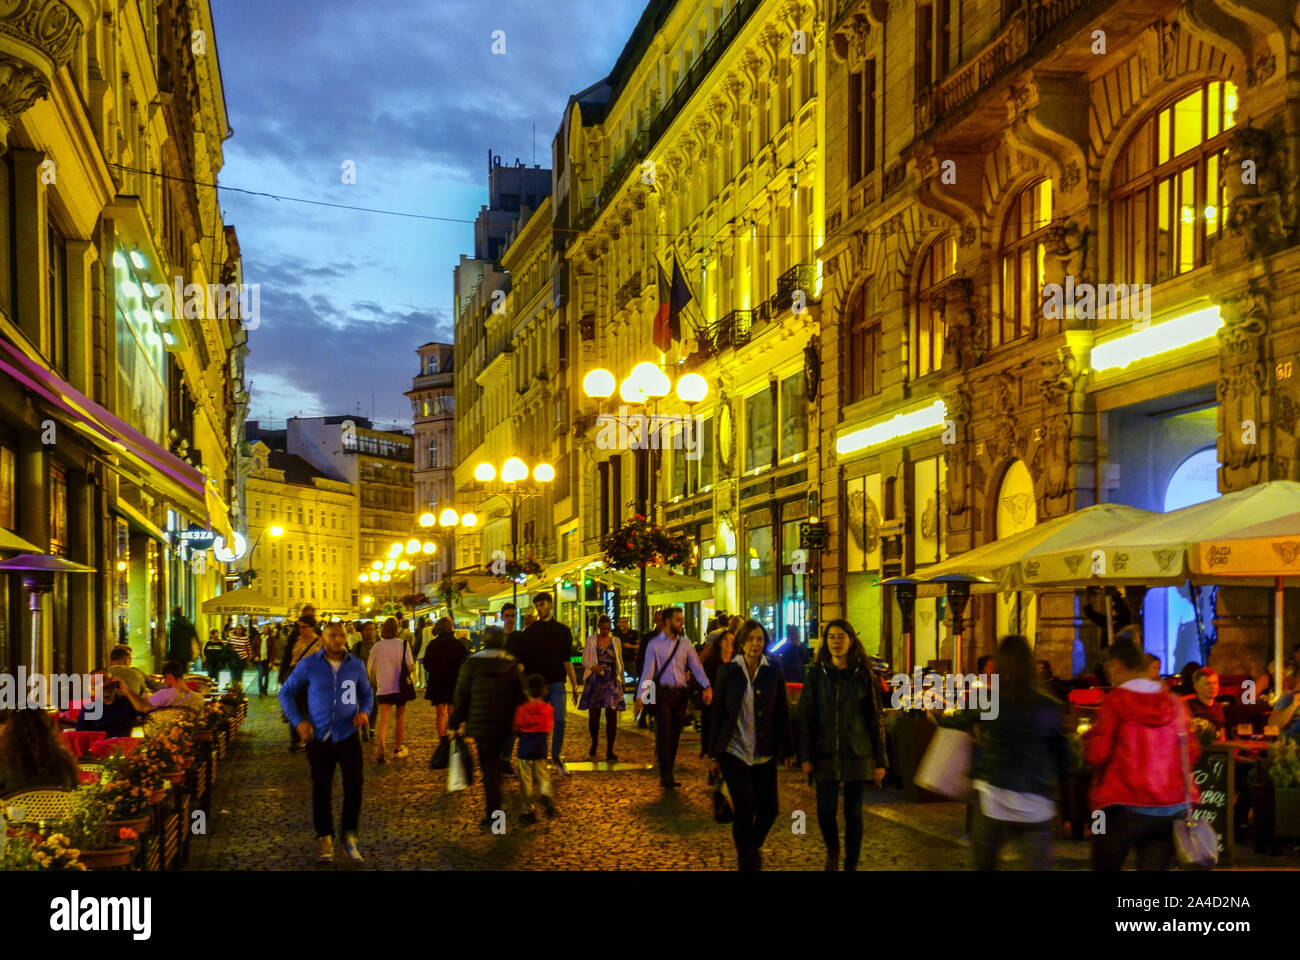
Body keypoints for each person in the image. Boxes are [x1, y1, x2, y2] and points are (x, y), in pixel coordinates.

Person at [945, 635, 1068, 872]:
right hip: (1035, 801)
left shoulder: (991, 701)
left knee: (984, 864)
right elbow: (1062, 758)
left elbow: (959, 720)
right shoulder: (1048, 706)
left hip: (993, 796)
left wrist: (938, 717)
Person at [1084, 631, 1198, 871]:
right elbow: (1192, 751)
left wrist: (1087, 739)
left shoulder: (1115, 701)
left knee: (1104, 863)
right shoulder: (1174, 702)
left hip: (1123, 806)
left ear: (1115, 665)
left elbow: (1097, 754)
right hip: (1171, 808)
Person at [798, 619, 888, 871]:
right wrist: (804, 756)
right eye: (832, 637)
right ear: (825, 643)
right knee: (825, 810)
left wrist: (880, 760)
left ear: (850, 640)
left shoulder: (863, 675)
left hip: (856, 751)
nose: (836, 642)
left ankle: (850, 864)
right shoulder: (816, 674)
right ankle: (833, 848)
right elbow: (806, 716)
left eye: (841, 637)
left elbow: (874, 717)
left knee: (853, 814)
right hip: (824, 751)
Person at [279, 621, 372, 862]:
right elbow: (286, 692)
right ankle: (325, 839)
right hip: (319, 737)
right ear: (323, 639)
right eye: (332, 635)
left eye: (341, 634)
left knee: (354, 787)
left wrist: (365, 711)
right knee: (321, 789)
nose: (338, 639)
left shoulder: (356, 666)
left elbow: (367, 693)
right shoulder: (309, 665)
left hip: (348, 735)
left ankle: (350, 836)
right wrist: (298, 721)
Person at [709, 618, 793, 870]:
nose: (756, 644)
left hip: (764, 751)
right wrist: (713, 752)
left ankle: (749, 849)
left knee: (770, 810)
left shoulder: (773, 668)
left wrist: (787, 746)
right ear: (742, 642)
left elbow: (781, 709)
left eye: (760, 639)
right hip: (734, 750)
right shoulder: (729, 670)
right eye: (751, 639)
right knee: (745, 808)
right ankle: (749, 863)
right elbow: (717, 712)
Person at [449, 625, 526, 830]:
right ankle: (497, 808)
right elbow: (521, 695)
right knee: (495, 765)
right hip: (504, 723)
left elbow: (462, 694)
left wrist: (455, 721)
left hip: (481, 723)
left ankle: (494, 814)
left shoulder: (471, 663)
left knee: (489, 767)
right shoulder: (511, 664)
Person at [637, 606, 712, 789]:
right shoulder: (655, 644)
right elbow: (648, 671)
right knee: (664, 734)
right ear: (668, 621)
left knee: (675, 735)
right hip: (663, 694)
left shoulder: (685, 643)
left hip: (680, 694)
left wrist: (707, 685)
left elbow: (696, 667)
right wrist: (641, 697)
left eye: (682, 620)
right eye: (678, 619)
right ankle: (666, 774)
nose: (681, 623)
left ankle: (668, 768)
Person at [516, 592, 579, 774]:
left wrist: (574, 685)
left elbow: (567, 660)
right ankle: (539, 758)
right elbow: (523, 661)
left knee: (560, 720)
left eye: (542, 604)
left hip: (557, 682)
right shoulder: (530, 633)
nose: (540, 608)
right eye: (537, 605)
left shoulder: (562, 631)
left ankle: (556, 756)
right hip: (537, 687)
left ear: (550, 605)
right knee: (539, 724)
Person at [368, 617, 415, 763]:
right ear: (397, 629)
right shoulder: (403, 644)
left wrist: (376, 681)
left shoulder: (377, 646)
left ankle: (381, 745)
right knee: (400, 716)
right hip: (400, 686)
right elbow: (410, 666)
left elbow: (370, 669)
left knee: (384, 718)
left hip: (384, 687)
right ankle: (398, 748)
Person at [0, 708, 79, 793]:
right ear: (48, 728)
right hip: (58, 805)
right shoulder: (64, 761)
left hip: (17, 805)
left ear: (11, 731)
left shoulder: (6, 764)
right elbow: (75, 791)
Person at [580, 614, 625, 762]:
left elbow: (619, 661)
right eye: (603, 628)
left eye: (608, 628)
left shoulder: (616, 641)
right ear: (598, 627)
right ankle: (594, 742)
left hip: (611, 680)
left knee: (611, 715)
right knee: (594, 715)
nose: (605, 631)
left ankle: (610, 749)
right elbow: (584, 659)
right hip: (595, 679)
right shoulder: (591, 640)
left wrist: (621, 679)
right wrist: (592, 666)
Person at [422, 616, 468, 760]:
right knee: (452, 711)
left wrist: (435, 671)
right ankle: (454, 736)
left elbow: (426, 664)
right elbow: (464, 662)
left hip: (438, 682)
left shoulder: (432, 645)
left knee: (440, 712)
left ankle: (443, 741)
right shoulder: (458, 644)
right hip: (454, 681)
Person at [514, 673, 557, 823]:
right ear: (543, 691)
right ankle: (546, 795)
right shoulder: (548, 709)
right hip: (541, 749)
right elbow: (549, 728)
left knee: (525, 780)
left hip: (525, 749)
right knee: (542, 775)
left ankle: (528, 809)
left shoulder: (522, 709)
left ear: (526, 690)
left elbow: (516, 727)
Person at [280, 617, 323, 753]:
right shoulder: (297, 640)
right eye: (299, 627)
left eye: (304, 627)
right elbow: (290, 659)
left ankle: (310, 738)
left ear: (312, 627)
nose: (301, 630)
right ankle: (296, 740)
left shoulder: (320, 643)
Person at [699, 630, 735, 763]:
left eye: (732, 641)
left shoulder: (736, 661)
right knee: (711, 725)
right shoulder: (712, 661)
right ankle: (711, 753)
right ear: (720, 643)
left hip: (729, 701)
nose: (729, 643)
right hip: (714, 699)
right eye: (726, 640)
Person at [121, 660, 204, 713]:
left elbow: (143, 707)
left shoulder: (165, 694)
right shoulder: (199, 699)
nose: (164, 683)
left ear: (170, 677)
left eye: (165, 679)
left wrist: (127, 690)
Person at [76, 670, 139, 738]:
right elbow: (80, 737)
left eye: (105, 679)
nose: (103, 684)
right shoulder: (88, 710)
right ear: (92, 688)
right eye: (97, 683)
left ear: (113, 681)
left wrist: (126, 690)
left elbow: (147, 710)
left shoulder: (129, 702)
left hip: (129, 745)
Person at [1185, 667, 1225, 738]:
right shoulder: (1188, 707)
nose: (1212, 687)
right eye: (1207, 683)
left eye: (1215, 683)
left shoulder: (1219, 707)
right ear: (1196, 687)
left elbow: (1222, 735)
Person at [252, 624, 278, 697]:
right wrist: (255, 656)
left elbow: (273, 651)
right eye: (264, 628)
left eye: (266, 628)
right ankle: (261, 691)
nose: (265, 630)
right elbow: (253, 648)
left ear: (269, 630)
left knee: (266, 675)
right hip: (259, 659)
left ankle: (265, 690)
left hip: (267, 659)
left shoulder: (271, 639)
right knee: (260, 674)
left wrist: (271, 661)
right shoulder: (257, 637)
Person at [228, 624, 252, 689]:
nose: (239, 630)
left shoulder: (245, 638)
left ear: (242, 630)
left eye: (240, 629)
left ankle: (239, 690)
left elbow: (249, 649)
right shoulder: (232, 637)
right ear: (235, 630)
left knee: (239, 675)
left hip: (241, 659)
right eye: (237, 629)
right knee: (233, 675)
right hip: (232, 659)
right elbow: (227, 646)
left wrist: (249, 659)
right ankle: (233, 690)